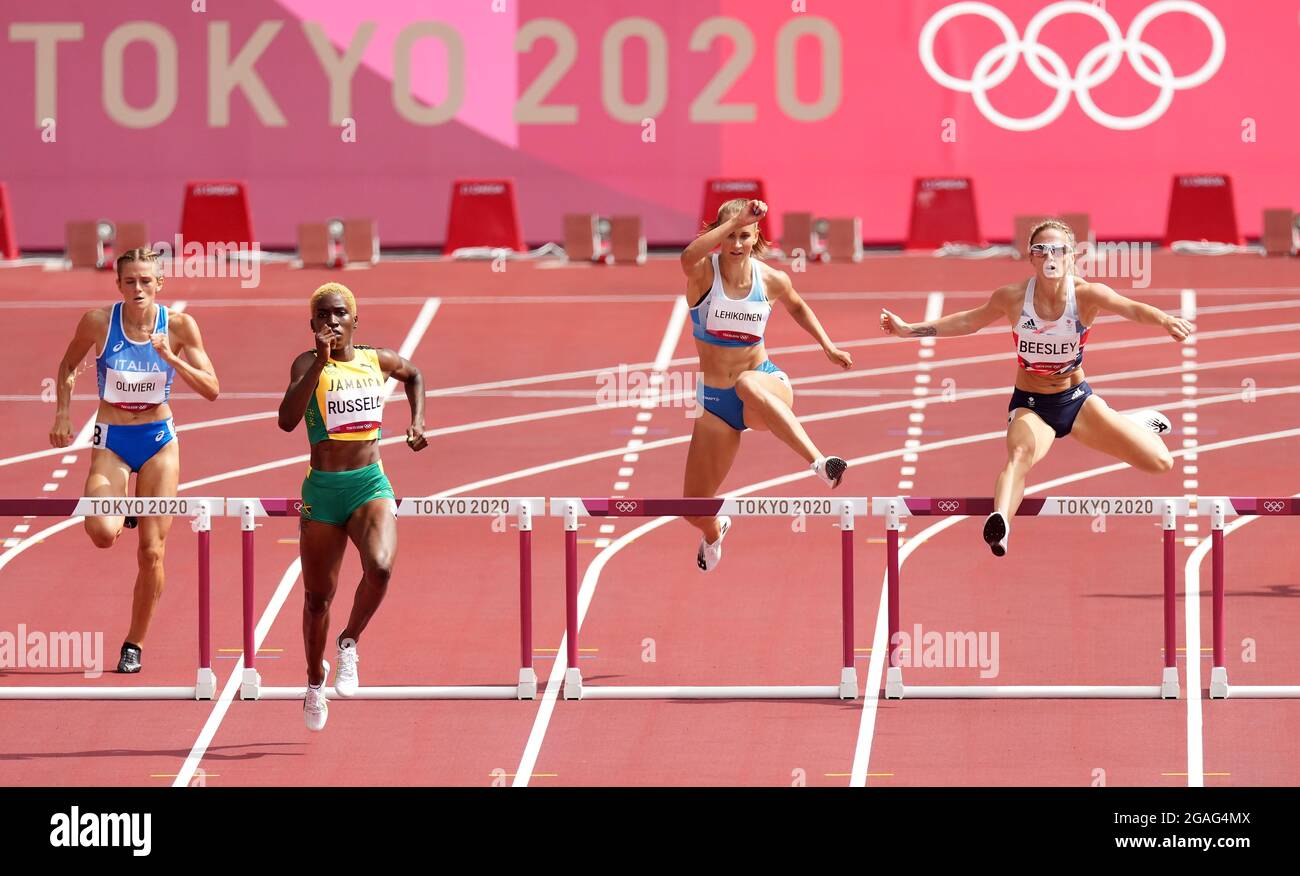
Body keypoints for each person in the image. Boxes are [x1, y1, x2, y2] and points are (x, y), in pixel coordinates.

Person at [880, 219, 1191, 557]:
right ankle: (1001, 524)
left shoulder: (1086, 295)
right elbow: (969, 321)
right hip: (1032, 405)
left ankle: (1134, 423)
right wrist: (909, 330)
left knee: (1160, 462)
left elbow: (1131, 308)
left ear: (1072, 256)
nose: (1050, 257)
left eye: (1058, 250)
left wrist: (1164, 320)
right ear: (1031, 257)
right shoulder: (1013, 298)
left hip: (1076, 402)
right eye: (1042, 250)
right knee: (1019, 456)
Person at [50, 248, 220, 672]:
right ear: (119, 284)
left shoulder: (179, 327)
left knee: (151, 553)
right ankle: (123, 508)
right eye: (130, 282)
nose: (139, 289)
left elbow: (212, 388)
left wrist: (172, 358)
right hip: (112, 440)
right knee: (102, 532)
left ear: (160, 283)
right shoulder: (98, 322)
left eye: (146, 281)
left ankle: (134, 642)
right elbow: (68, 365)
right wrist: (63, 412)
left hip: (159, 441)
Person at [277, 282, 426, 730]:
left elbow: (414, 375)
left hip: (368, 484)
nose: (332, 321)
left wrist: (416, 421)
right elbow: (286, 421)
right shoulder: (307, 364)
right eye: (323, 315)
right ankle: (313, 682)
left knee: (380, 567)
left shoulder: (376, 360)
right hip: (323, 491)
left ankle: (348, 643)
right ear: (312, 325)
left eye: (340, 313)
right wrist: (319, 364)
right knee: (317, 598)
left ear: (355, 321)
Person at [680, 198, 853, 572]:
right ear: (718, 236)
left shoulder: (771, 279)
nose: (737, 244)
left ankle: (820, 463)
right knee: (692, 506)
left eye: (745, 235)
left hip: (765, 386)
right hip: (714, 403)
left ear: (756, 235)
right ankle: (714, 531)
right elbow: (686, 257)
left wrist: (828, 345)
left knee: (746, 382)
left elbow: (797, 307)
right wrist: (731, 223)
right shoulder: (703, 275)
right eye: (730, 235)